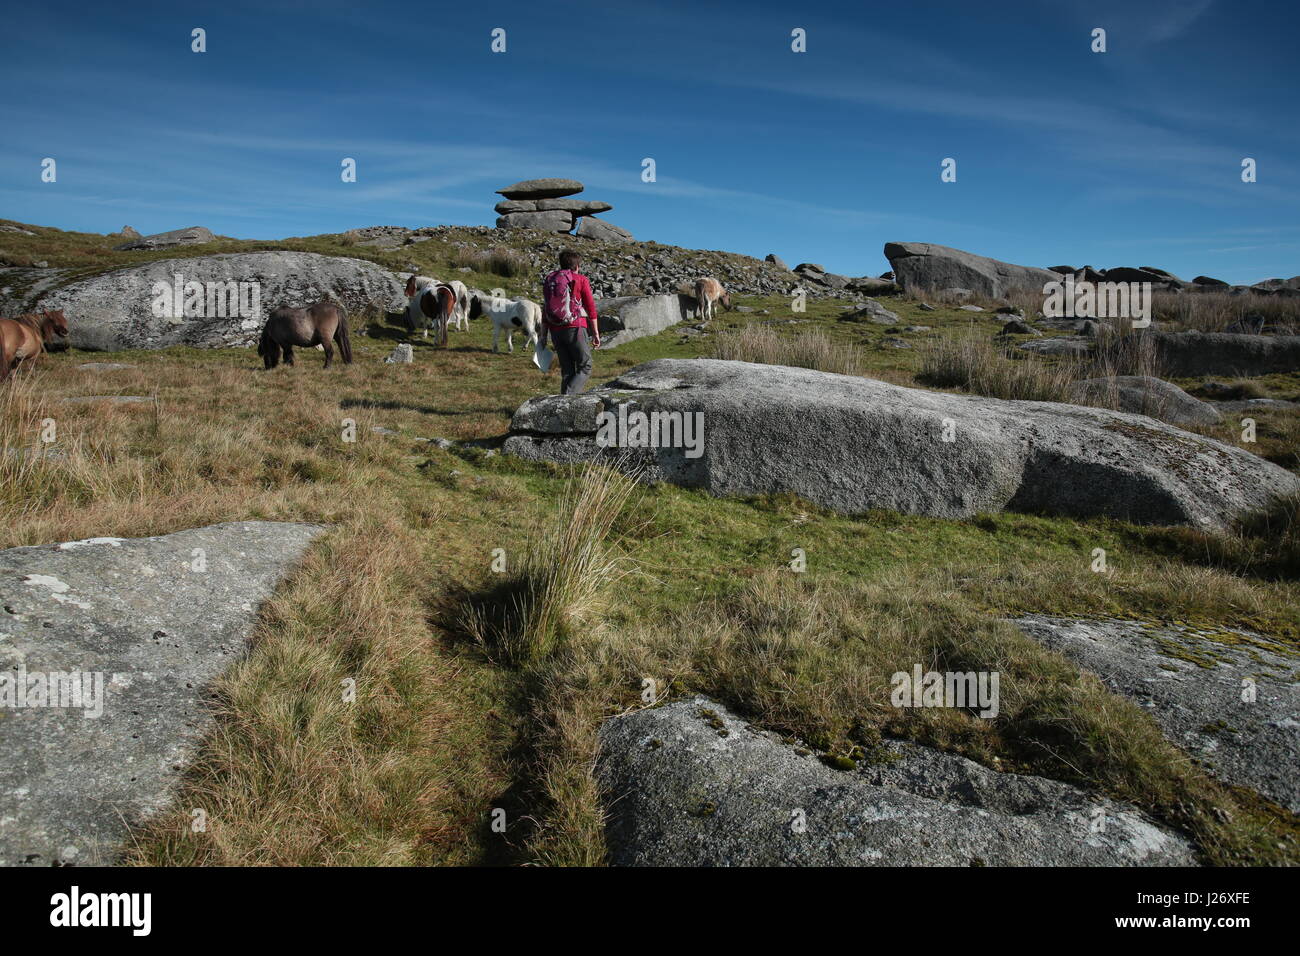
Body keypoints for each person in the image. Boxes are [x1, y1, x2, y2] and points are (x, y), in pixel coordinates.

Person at [539, 249, 599, 394]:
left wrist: (543, 335)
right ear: (577, 266)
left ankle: (562, 406)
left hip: (555, 330)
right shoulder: (580, 280)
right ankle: (568, 400)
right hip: (575, 329)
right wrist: (596, 333)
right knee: (585, 366)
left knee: (567, 371)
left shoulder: (550, 280)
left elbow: (546, 308)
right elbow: (591, 309)